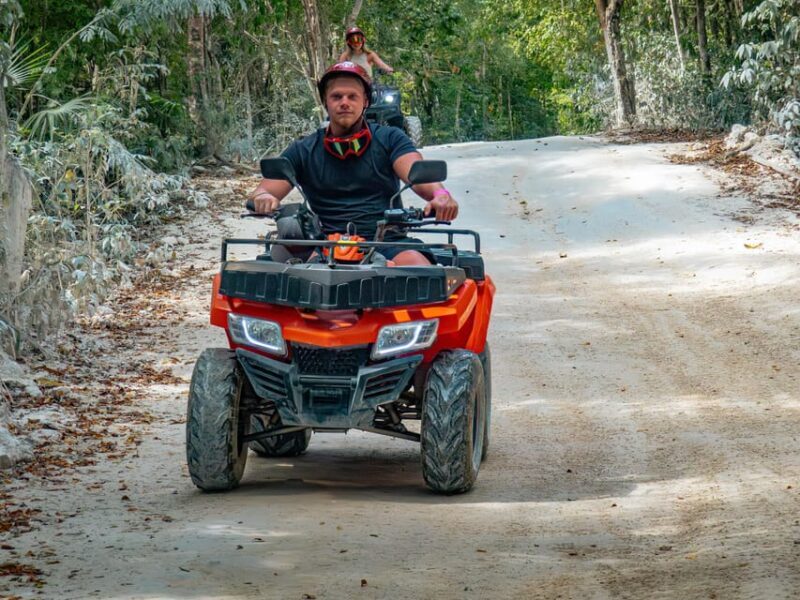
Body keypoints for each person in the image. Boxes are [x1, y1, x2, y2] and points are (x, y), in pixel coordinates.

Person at [249, 61, 457, 266]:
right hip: (324, 245)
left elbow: (415, 172)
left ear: (366, 101)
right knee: (296, 275)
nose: (344, 102)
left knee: (417, 267)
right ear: (325, 101)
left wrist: (441, 195)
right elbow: (262, 192)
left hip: (386, 242)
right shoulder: (304, 149)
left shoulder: (390, 138)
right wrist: (263, 198)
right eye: (336, 96)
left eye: (352, 96)